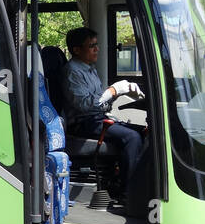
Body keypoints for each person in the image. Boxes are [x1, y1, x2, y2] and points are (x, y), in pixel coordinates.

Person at [61, 27, 145, 199]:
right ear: (76, 50)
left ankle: (129, 180)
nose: (97, 49)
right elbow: (84, 105)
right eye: (92, 46)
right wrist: (113, 91)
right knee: (132, 138)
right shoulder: (72, 71)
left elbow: (100, 102)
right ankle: (128, 193)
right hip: (82, 123)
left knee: (143, 131)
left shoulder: (89, 69)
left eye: (96, 45)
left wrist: (119, 93)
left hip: (96, 118)